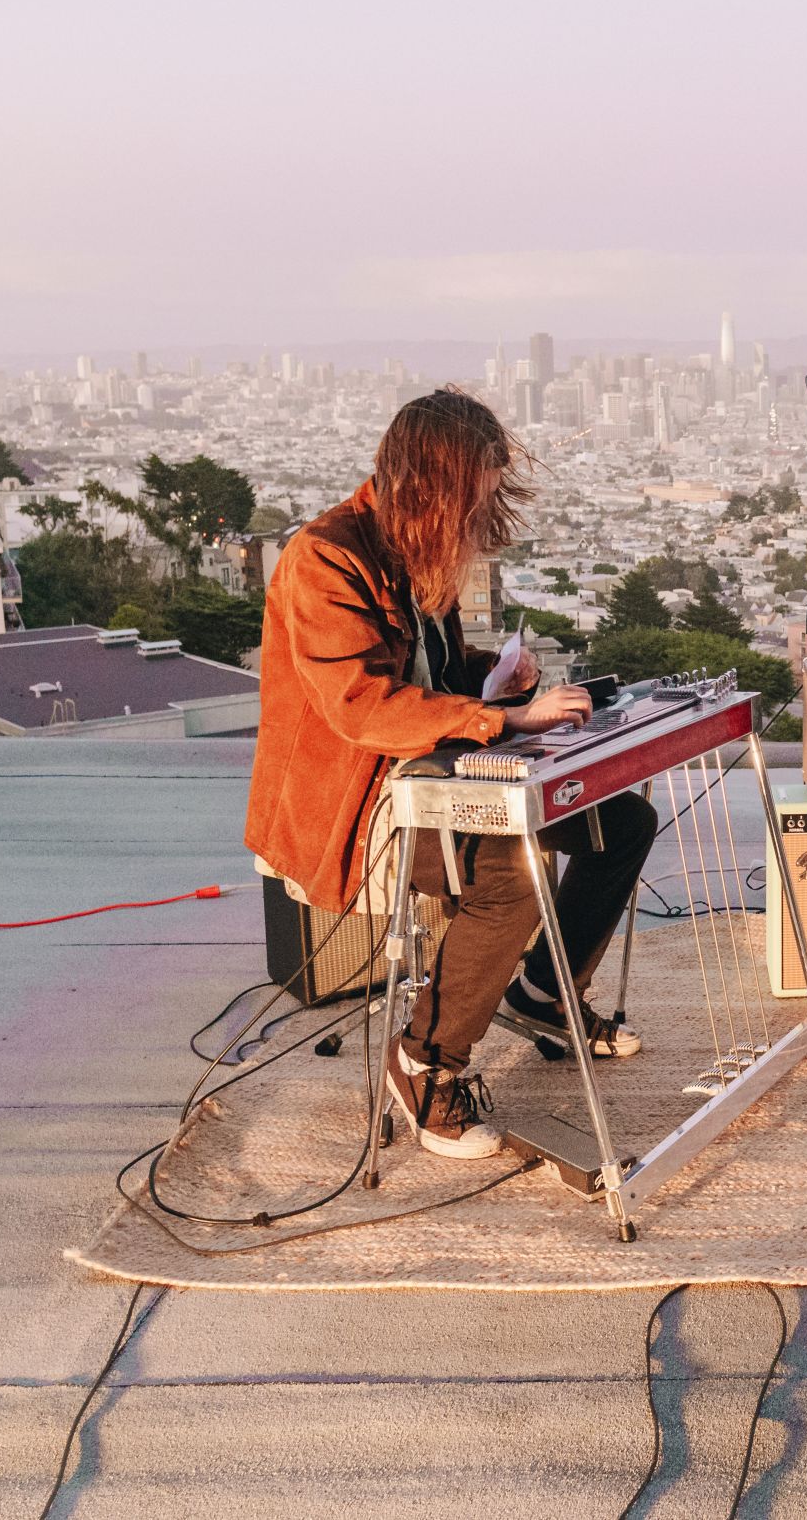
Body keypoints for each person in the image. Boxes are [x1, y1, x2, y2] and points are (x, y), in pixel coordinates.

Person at [245, 389, 656, 1159]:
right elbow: (362, 705)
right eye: (472, 496)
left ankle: (542, 993)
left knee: (622, 822)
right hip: (362, 801)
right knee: (509, 872)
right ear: (431, 483)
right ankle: (425, 1063)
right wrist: (505, 721)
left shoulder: (417, 547)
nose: (477, 515)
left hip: (441, 772)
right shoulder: (325, 558)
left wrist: (499, 681)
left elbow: (432, 675)